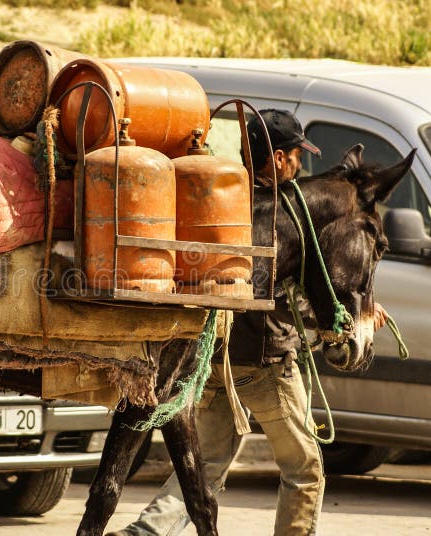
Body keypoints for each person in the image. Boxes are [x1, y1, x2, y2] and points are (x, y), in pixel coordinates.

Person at [107, 109, 389, 536]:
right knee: (305, 468)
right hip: (265, 362)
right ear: (277, 159)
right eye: (296, 156)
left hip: (212, 361)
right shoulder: (287, 217)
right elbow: (281, 296)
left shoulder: (227, 199)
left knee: (207, 464)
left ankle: (143, 534)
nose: (300, 165)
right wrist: (336, 321)